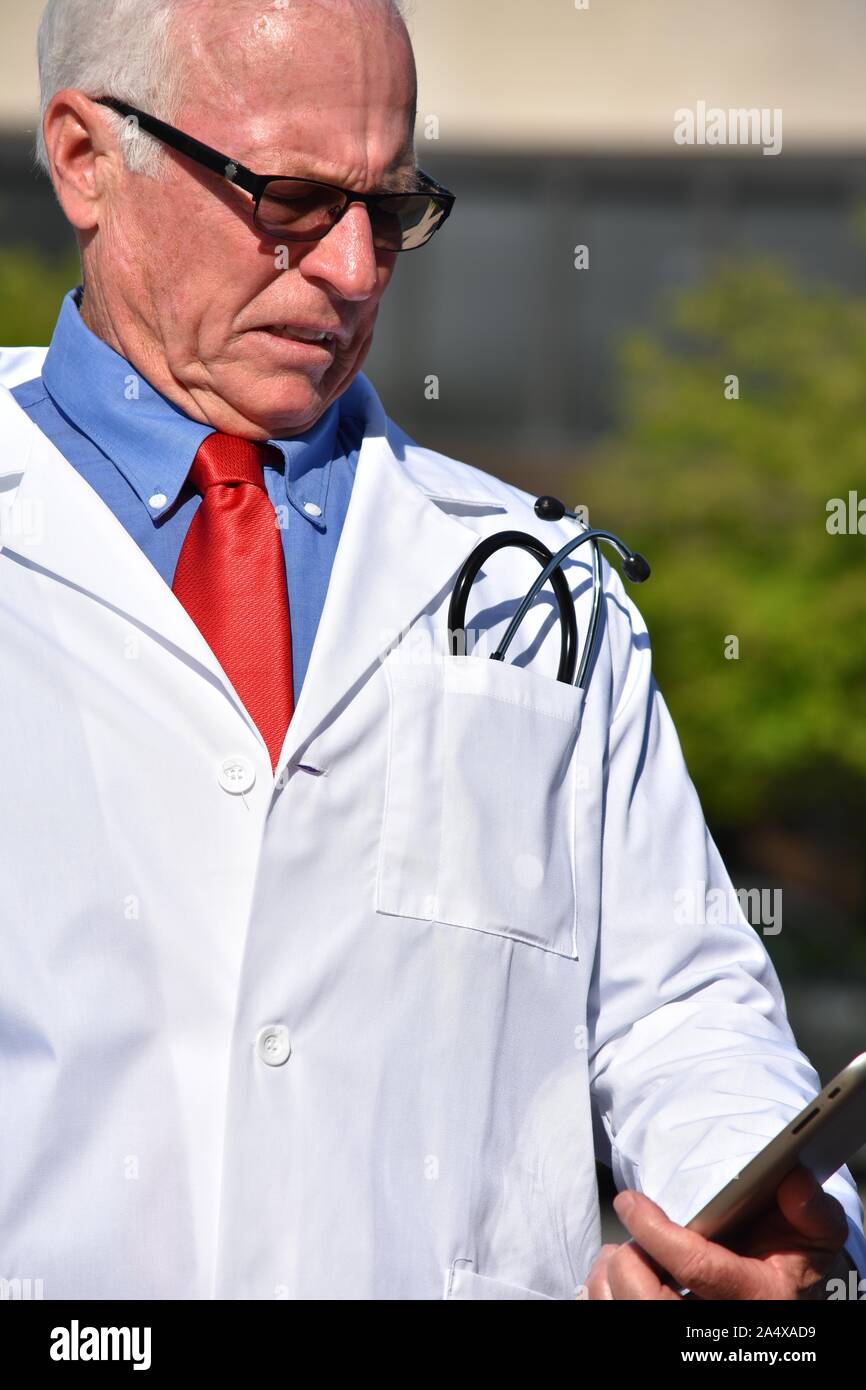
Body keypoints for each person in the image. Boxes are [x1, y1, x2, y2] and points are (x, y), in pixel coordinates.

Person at [0, 0, 862, 1301]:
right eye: (289, 197)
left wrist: (765, 1233)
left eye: (389, 211)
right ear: (84, 161)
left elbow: (678, 1009)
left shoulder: (543, 589)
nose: (352, 267)